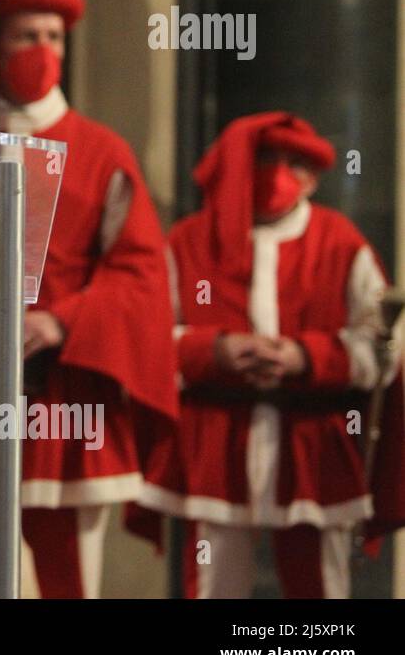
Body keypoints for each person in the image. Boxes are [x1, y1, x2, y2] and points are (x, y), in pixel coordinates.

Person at [0, 0, 178, 598]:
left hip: (61, 394)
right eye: (26, 36)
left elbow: (140, 271)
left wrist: (62, 319)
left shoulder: (102, 152)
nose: (44, 49)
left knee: (66, 577)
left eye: (54, 36)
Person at [136, 112, 402, 598]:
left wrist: (306, 357)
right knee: (213, 585)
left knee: (320, 594)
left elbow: (382, 348)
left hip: (312, 444)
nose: (280, 176)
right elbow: (148, 339)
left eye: (296, 164)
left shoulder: (340, 243)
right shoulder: (191, 241)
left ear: (316, 176)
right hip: (216, 442)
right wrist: (213, 350)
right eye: (265, 160)